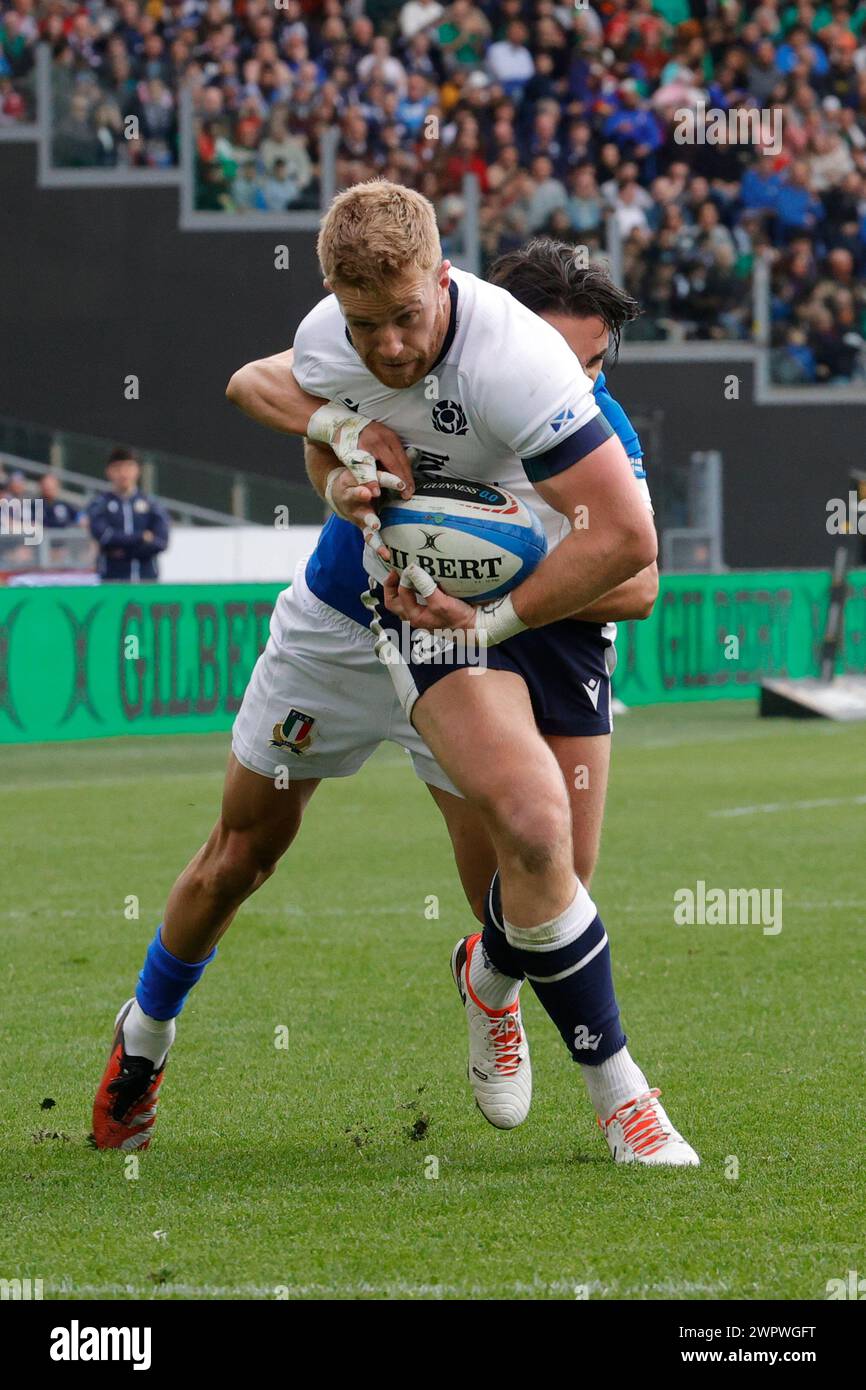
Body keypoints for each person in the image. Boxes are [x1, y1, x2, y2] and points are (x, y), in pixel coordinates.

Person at [91, 183, 696, 1167]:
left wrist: (489, 611)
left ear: (445, 285)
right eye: (366, 325)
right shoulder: (344, 333)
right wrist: (337, 437)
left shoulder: (534, 379)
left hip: (461, 631)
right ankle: (143, 1039)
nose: (390, 349)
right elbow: (260, 388)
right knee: (238, 854)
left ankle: (571, 1054)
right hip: (344, 617)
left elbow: (632, 562)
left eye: (406, 320)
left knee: (542, 859)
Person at [87, 447, 170, 582]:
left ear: (138, 470)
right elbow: (104, 537)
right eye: (117, 468)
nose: (123, 473)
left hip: (147, 581)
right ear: (108, 471)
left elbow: (161, 542)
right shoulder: (99, 504)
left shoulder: (152, 504)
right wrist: (141, 537)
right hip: (112, 582)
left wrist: (123, 552)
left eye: (129, 467)